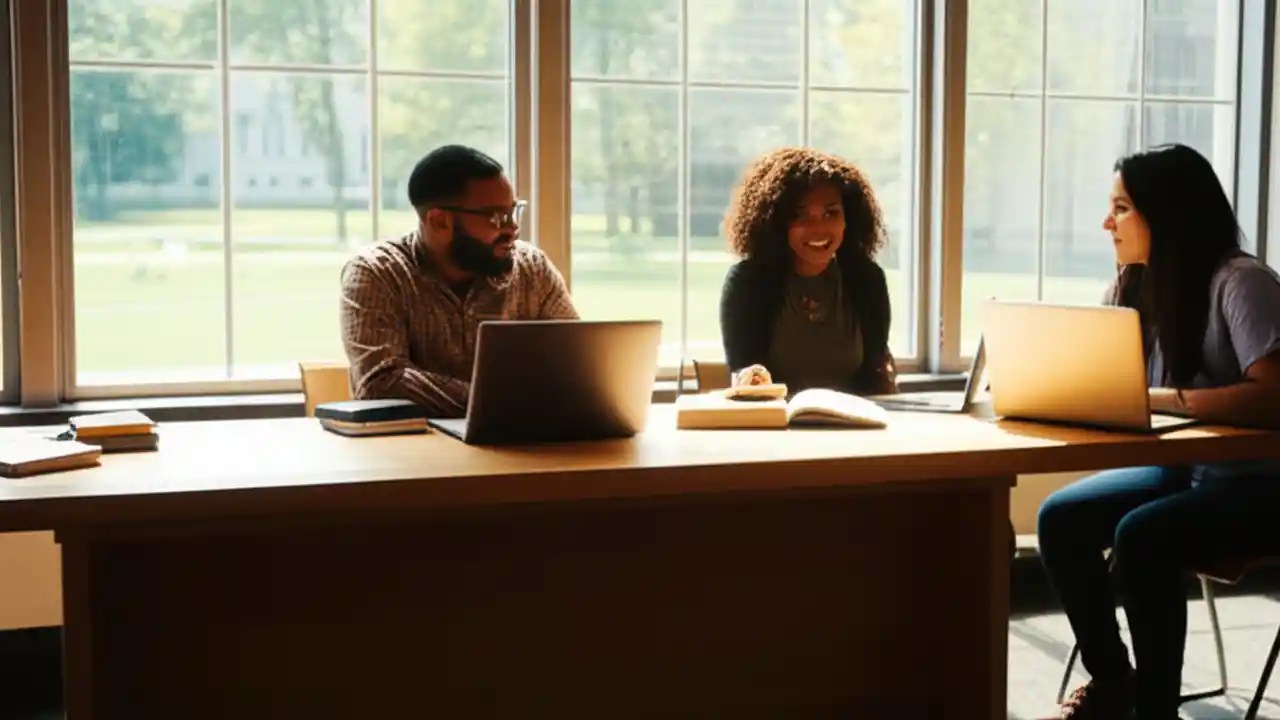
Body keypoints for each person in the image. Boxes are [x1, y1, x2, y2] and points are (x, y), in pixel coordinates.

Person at [1038, 143, 1280, 720]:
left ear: (1164, 213)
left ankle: (1155, 710)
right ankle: (1115, 680)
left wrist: (1169, 400)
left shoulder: (1242, 282)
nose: (1107, 222)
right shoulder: (1136, 285)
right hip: (1193, 473)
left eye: (1120, 208)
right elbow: (1108, 381)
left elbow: (1274, 397)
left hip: (1265, 484)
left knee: (1143, 536)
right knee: (1059, 518)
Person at [340, 145, 577, 417]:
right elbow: (381, 384)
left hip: (518, 448)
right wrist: (507, 401)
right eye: (496, 217)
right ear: (440, 221)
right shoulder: (377, 273)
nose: (512, 228)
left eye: (514, 211)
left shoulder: (531, 269)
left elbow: (577, 365)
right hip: (413, 453)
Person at [718, 147, 897, 396]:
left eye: (830, 213)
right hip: (774, 428)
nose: (818, 228)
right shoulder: (749, 284)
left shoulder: (867, 280)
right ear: (777, 221)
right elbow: (747, 380)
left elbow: (875, 376)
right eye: (800, 215)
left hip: (853, 426)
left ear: (849, 220)